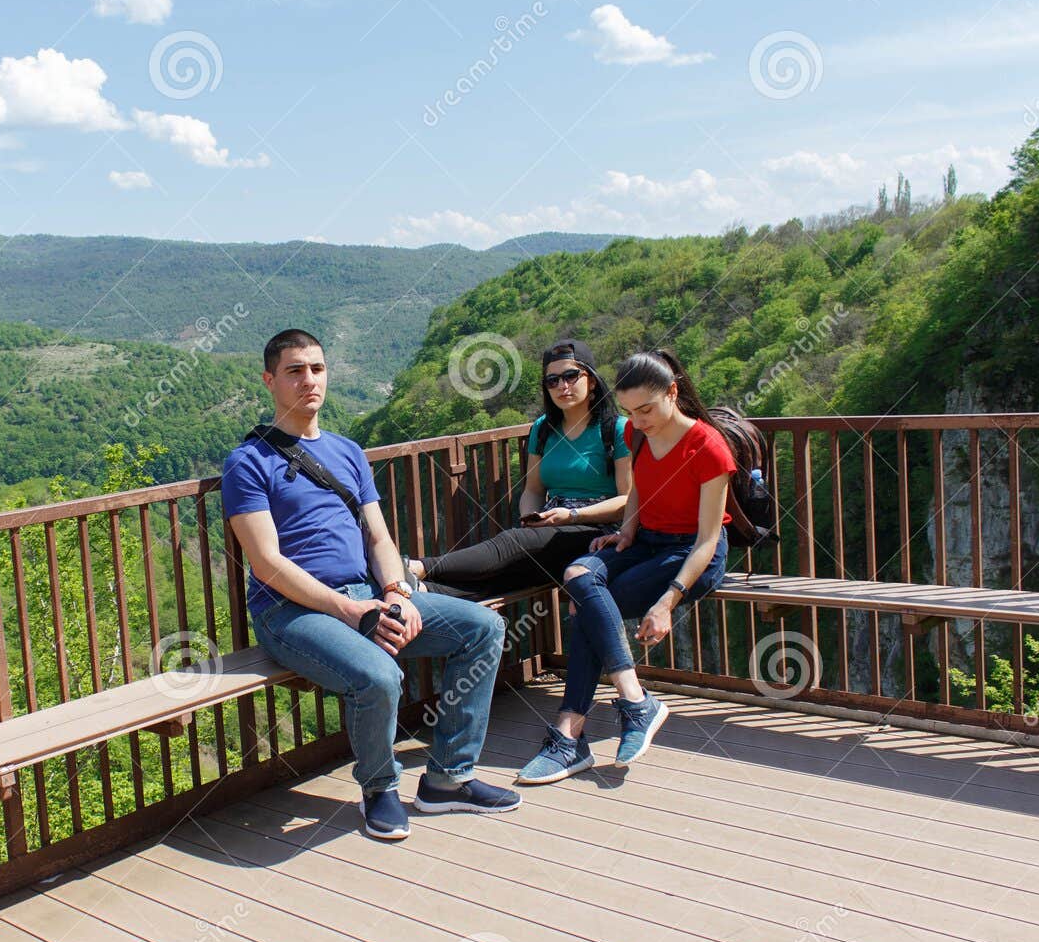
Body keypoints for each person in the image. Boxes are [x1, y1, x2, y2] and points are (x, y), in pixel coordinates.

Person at [222, 329, 521, 841]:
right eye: (294, 370)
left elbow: (379, 536)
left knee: (484, 628)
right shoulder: (248, 463)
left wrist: (395, 594)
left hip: (367, 595)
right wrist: (349, 610)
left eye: (316, 368)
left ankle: (448, 779)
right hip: (290, 612)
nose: (308, 380)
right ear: (270, 380)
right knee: (380, 676)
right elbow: (267, 564)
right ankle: (379, 787)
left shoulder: (347, 452)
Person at [517, 348, 733, 783]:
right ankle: (634, 700)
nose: (640, 421)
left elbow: (707, 539)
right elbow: (637, 491)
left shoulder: (707, 447)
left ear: (673, 392)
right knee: (579, 574)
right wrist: (627, 532)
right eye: (632, 411)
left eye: (648, 409)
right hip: (645, 541)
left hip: (690, 553)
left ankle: (568, 735)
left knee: (587, 609)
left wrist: (667, 602)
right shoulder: (635, 433)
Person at [404, 340, 632, 600]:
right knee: (512, 574)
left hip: (599, 533)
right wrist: (531, 518)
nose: (562, 386)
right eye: (553, 380)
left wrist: (571, 515)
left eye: (571, 376)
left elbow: (627, 501)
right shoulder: (543, 429)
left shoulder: (616, 429)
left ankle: (418, 567)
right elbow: (533, 489)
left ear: (591, 380)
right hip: (552, 526)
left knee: (514, 543)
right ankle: (421, 590)